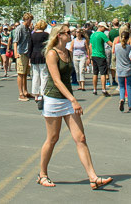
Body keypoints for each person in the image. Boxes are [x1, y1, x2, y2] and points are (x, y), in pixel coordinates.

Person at [36, 24, 112, 191]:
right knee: (53, 138)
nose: (71, 34)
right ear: (59, 36)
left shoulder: (69, 53)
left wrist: (71, 99)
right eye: (68, 32)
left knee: (81, 138)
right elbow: (56, 81)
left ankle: (93, 177)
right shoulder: (51, 54)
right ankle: (42, 174)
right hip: (54, 99)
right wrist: (73, 100)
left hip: (68, 99)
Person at [14, 13, 33, 101]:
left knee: (25, 73)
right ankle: (20, 93)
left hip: (27, 53)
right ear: (26, 19)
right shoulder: (20, 28)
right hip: (21, 52)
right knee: (20, 73)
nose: (31, 22)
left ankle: (25, 91)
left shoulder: (28, 29)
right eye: (30, 20)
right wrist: (15, 53)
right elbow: (15, 41)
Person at [29, 20, 49, 101]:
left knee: (35, 75)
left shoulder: (33, 35)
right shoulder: (46, 35)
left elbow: (30, 46)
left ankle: (35, 94)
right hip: (43, 55)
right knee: (44, 75)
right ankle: (43, 93)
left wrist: (30, 58)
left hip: (34, 55)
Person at [89, 23, 111, 97]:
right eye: (104, 28)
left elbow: (90, 46)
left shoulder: (93, 35)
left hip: (94, 55)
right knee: (103, 73)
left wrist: (90, 56)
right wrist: (116, 45)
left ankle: (94, 89)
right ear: (100, 27)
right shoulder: (102, 34)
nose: (104, 29)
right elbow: (109, 42)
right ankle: (103, 89)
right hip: (101, 55)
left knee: (95, 73)